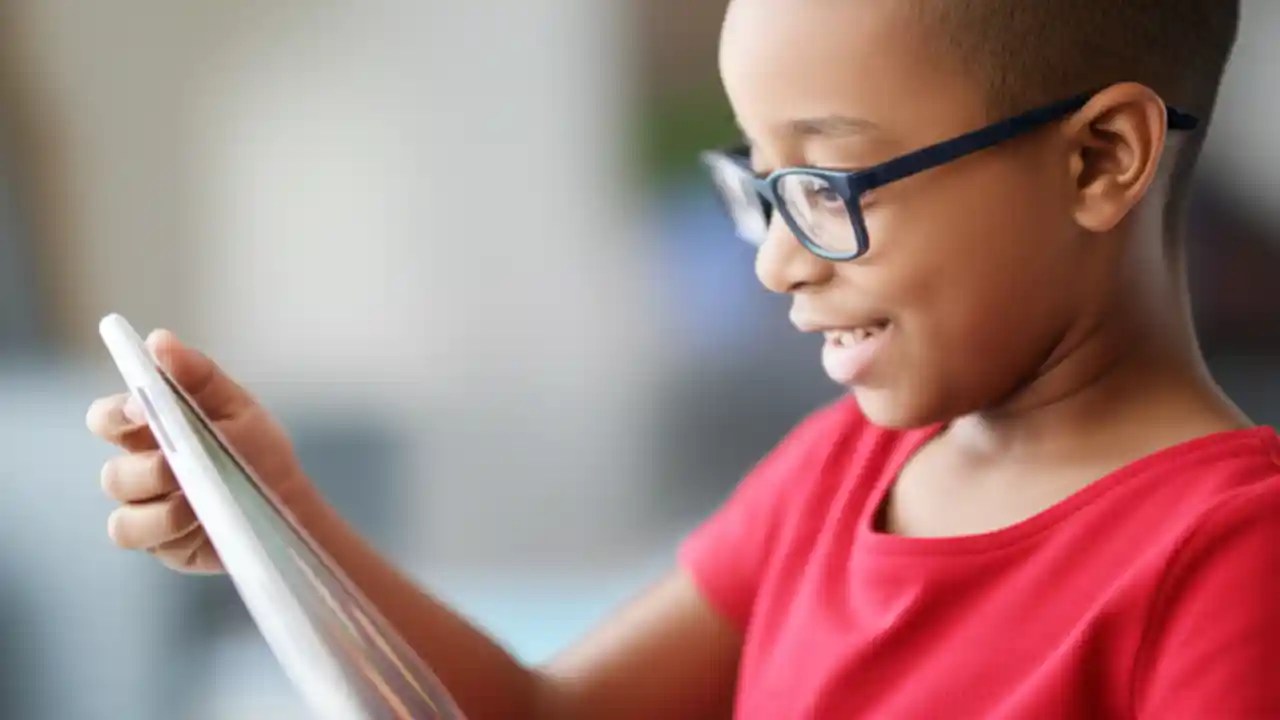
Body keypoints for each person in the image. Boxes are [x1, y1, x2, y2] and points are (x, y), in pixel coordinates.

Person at [87, 0, 1279, 717]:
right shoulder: (835, 477)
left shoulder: (1230, 559)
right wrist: (281, 521)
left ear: (1096, 161)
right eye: (760, 187)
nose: (776, 264)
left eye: (822, 185)